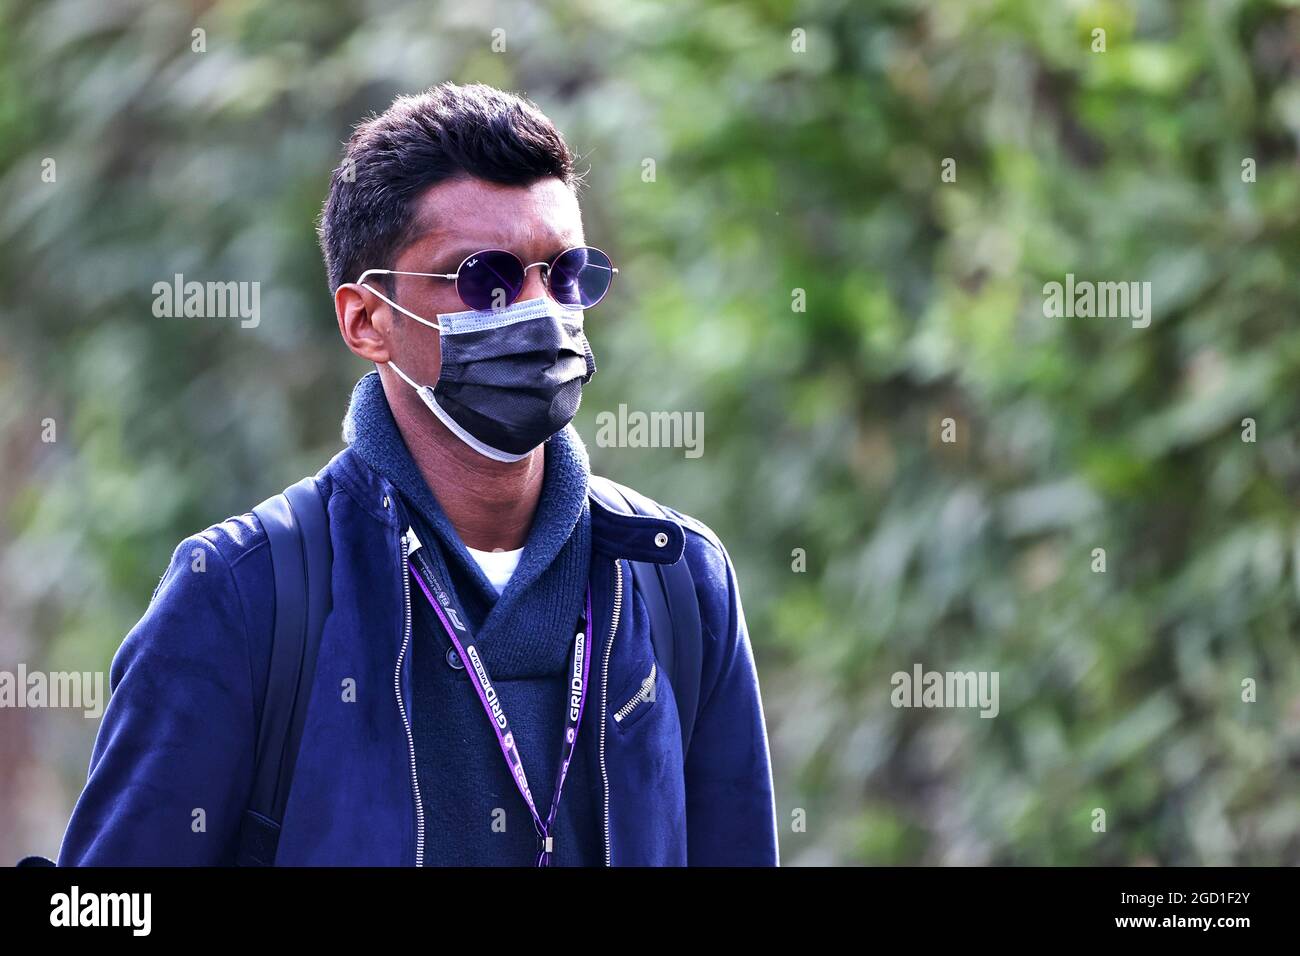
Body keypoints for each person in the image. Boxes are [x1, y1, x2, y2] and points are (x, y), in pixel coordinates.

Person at [55, 82, 778, 866]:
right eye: (484, 280)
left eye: (563, 274)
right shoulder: (242, 592)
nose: (538, 310)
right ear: (367, 321)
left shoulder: (673, 577)